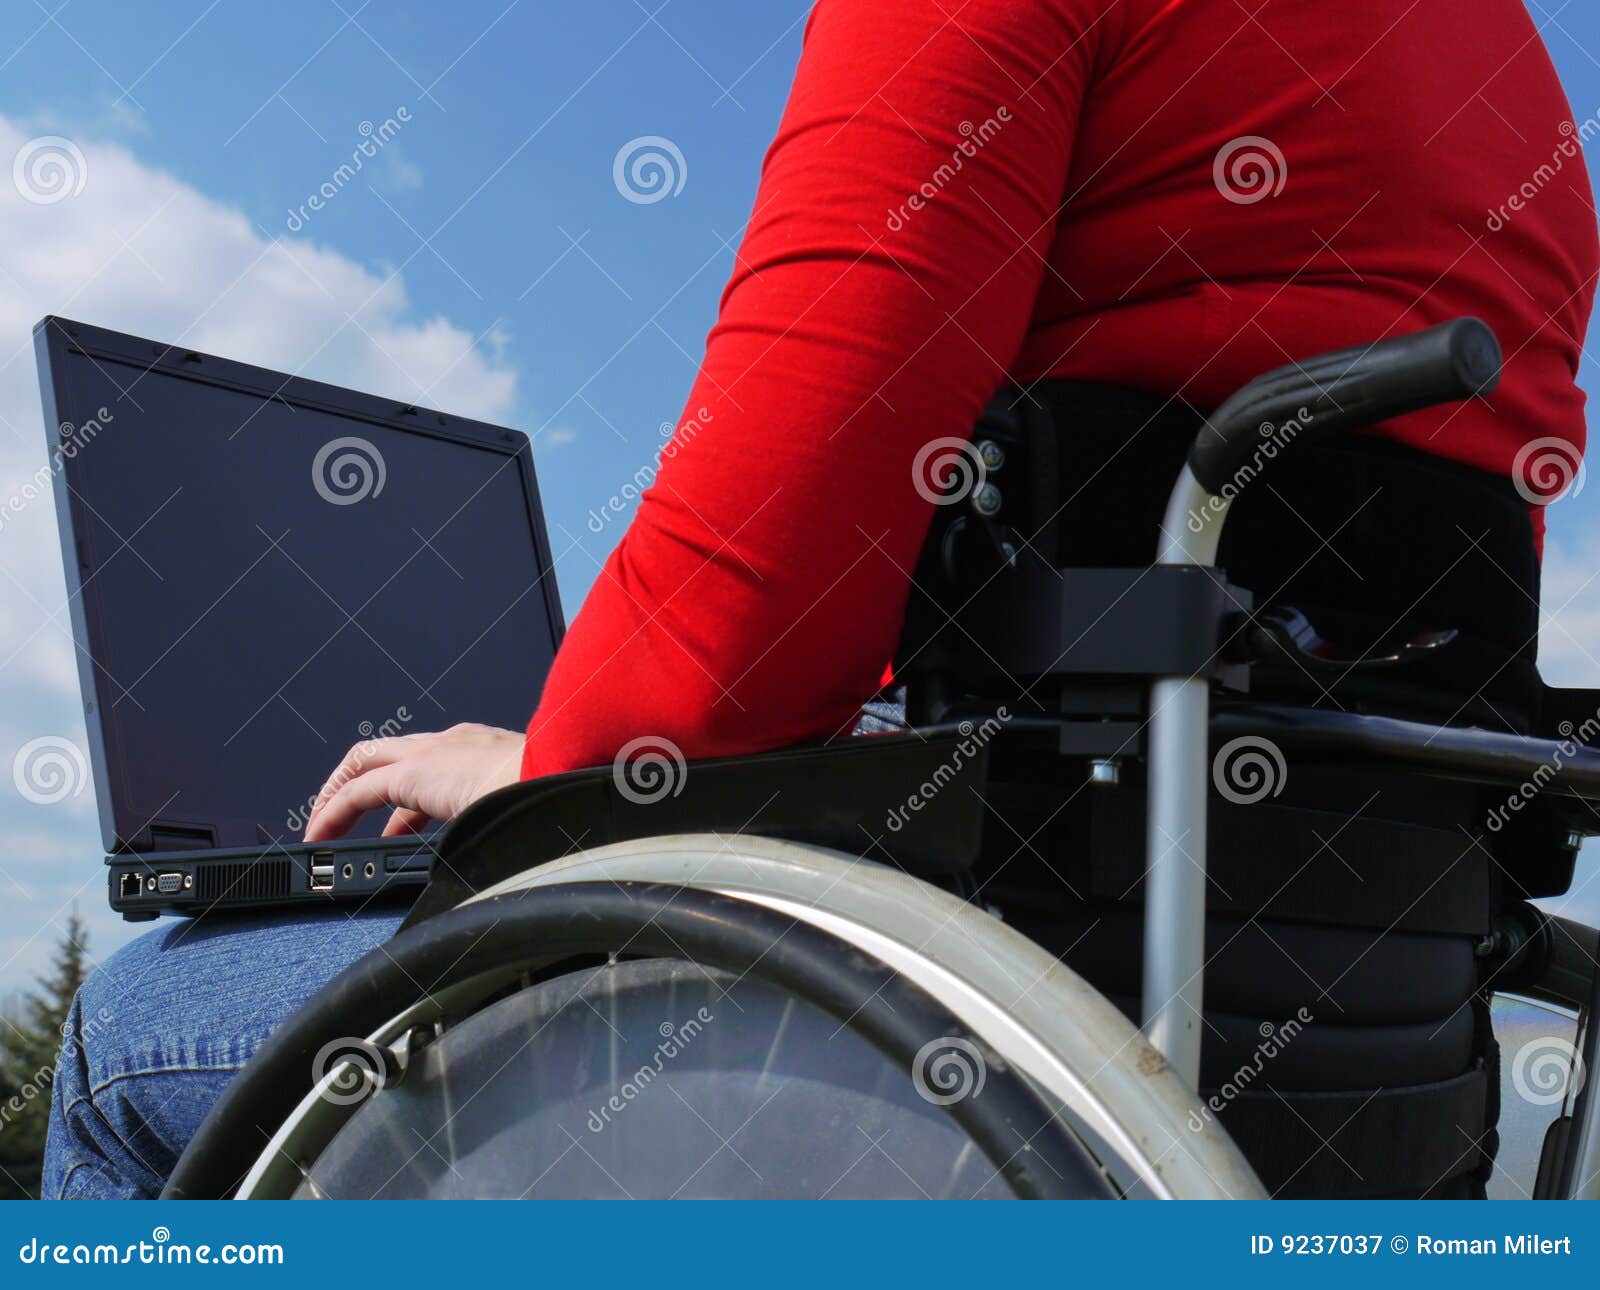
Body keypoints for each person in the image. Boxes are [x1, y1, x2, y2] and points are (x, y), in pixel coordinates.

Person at [47, 0, 1598, 1198]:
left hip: (1001, 1037)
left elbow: (739, 620)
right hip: (1369, 1055)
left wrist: (551, 765)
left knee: (133, 1032)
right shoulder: (1507, 77)